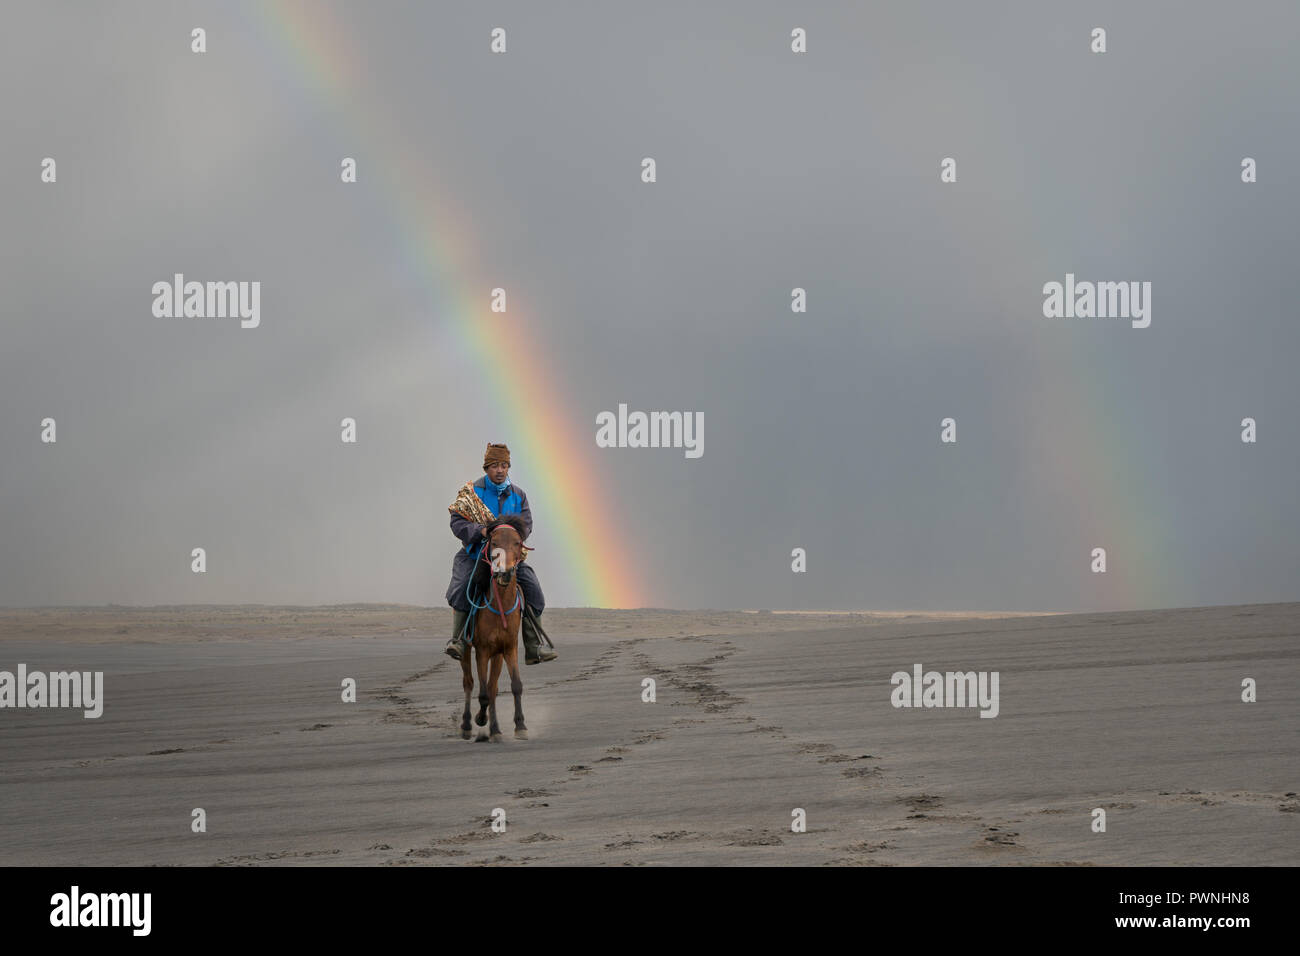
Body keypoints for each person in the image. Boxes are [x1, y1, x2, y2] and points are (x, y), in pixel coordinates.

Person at [444, 442, 557, 664]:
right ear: (486, 468)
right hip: (476, 553)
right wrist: (481, 530)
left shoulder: (518, 495)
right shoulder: (472, 493)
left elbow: (526, 525)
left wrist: (510, 539)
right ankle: (458, 640)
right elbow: (457, 522)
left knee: (534, 591)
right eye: (495, 465)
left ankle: (534, 647)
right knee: (462, 586)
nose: (499, 470)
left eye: (504, 465)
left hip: (509, 557)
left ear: (508, 468)